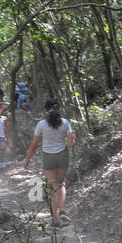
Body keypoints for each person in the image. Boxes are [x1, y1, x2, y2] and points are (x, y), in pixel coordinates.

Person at [21, 96, 75, 225]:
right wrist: (74, 138)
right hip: (62, 155)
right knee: (61, 184)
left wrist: (27, 160)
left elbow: (34, 145)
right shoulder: (65, 123)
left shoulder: (41, 125)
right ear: (58, 109)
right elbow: (71, 144)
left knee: (51, 187)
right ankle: (62, 210)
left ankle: (55, 219)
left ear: (45, 110)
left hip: (48, 157)